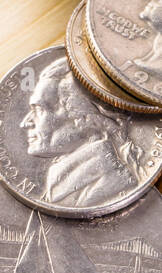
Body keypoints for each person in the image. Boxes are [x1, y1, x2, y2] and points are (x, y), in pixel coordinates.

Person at [20, 56, 144, 208]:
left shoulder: (109, 181)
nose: (26, 123)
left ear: (83, 117)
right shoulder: (62, 182)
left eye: (39, 109)